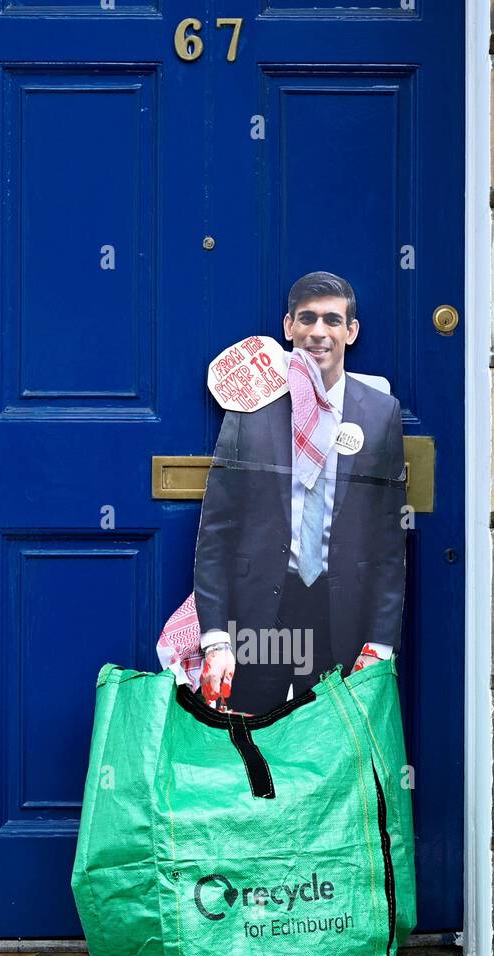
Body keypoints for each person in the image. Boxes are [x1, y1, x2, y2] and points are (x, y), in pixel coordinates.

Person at [193, 272, 407, 715]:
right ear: (289, 327)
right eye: (307, 319)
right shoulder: (252, 409)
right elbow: (216, 533)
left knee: (335, 754)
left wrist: (381, 642)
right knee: (252, 745)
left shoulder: (381, 412)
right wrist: (215, 639)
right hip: (263, 612)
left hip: (342, 611)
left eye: (332, 320)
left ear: (351, 331)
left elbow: (389, 542)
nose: (318, 332)